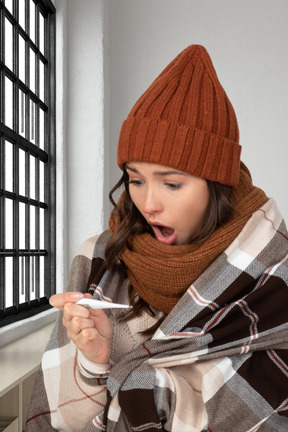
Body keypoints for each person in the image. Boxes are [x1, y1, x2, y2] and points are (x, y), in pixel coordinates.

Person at [25, 45, 288, 432]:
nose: (148, 204)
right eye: (134, 179)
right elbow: (62, 419)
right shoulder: (99, 258)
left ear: (217, 184)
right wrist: (94, 361)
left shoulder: (274, 270)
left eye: (172, 183)